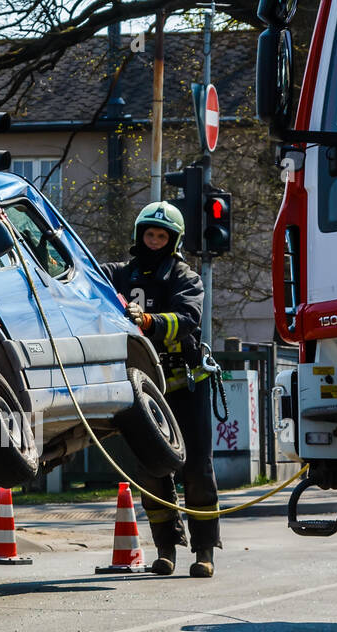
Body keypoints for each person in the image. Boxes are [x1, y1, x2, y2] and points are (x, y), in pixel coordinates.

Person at [101, 201, 220, 577]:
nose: (154, 241)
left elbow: (187, 320)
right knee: (152, 471)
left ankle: (204, 553)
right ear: (140, 236)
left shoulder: (186, 277)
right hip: (145, 390)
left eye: (161, 236)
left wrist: (149, 320)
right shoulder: (120, 274)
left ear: (173, 240)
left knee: (197, 471)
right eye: (149, 234)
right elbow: (83, 274)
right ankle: (166, 549)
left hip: (186, 385)